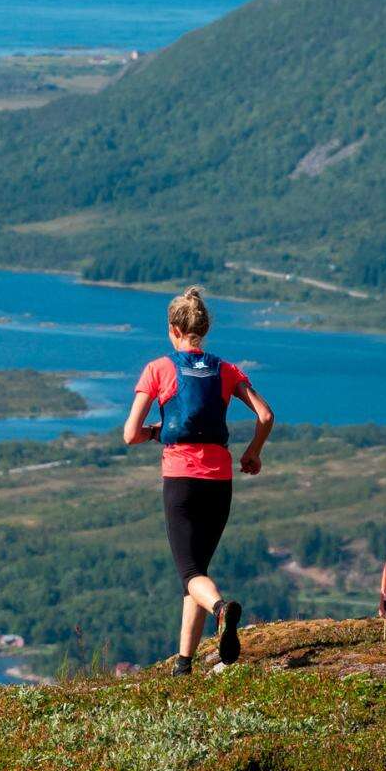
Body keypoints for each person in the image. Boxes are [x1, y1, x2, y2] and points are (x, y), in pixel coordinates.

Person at [122, 287, 274, 674]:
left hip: (182, 479)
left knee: (191, 573)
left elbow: (130, 433)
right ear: (203, 329)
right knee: (196, 570)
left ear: (174, 328)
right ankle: (184, 664)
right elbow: (266, 415)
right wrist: (252, 453)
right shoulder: (225, 370)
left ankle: (222, 610)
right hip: (220, 480)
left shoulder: (159, 368)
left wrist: (157, 433)